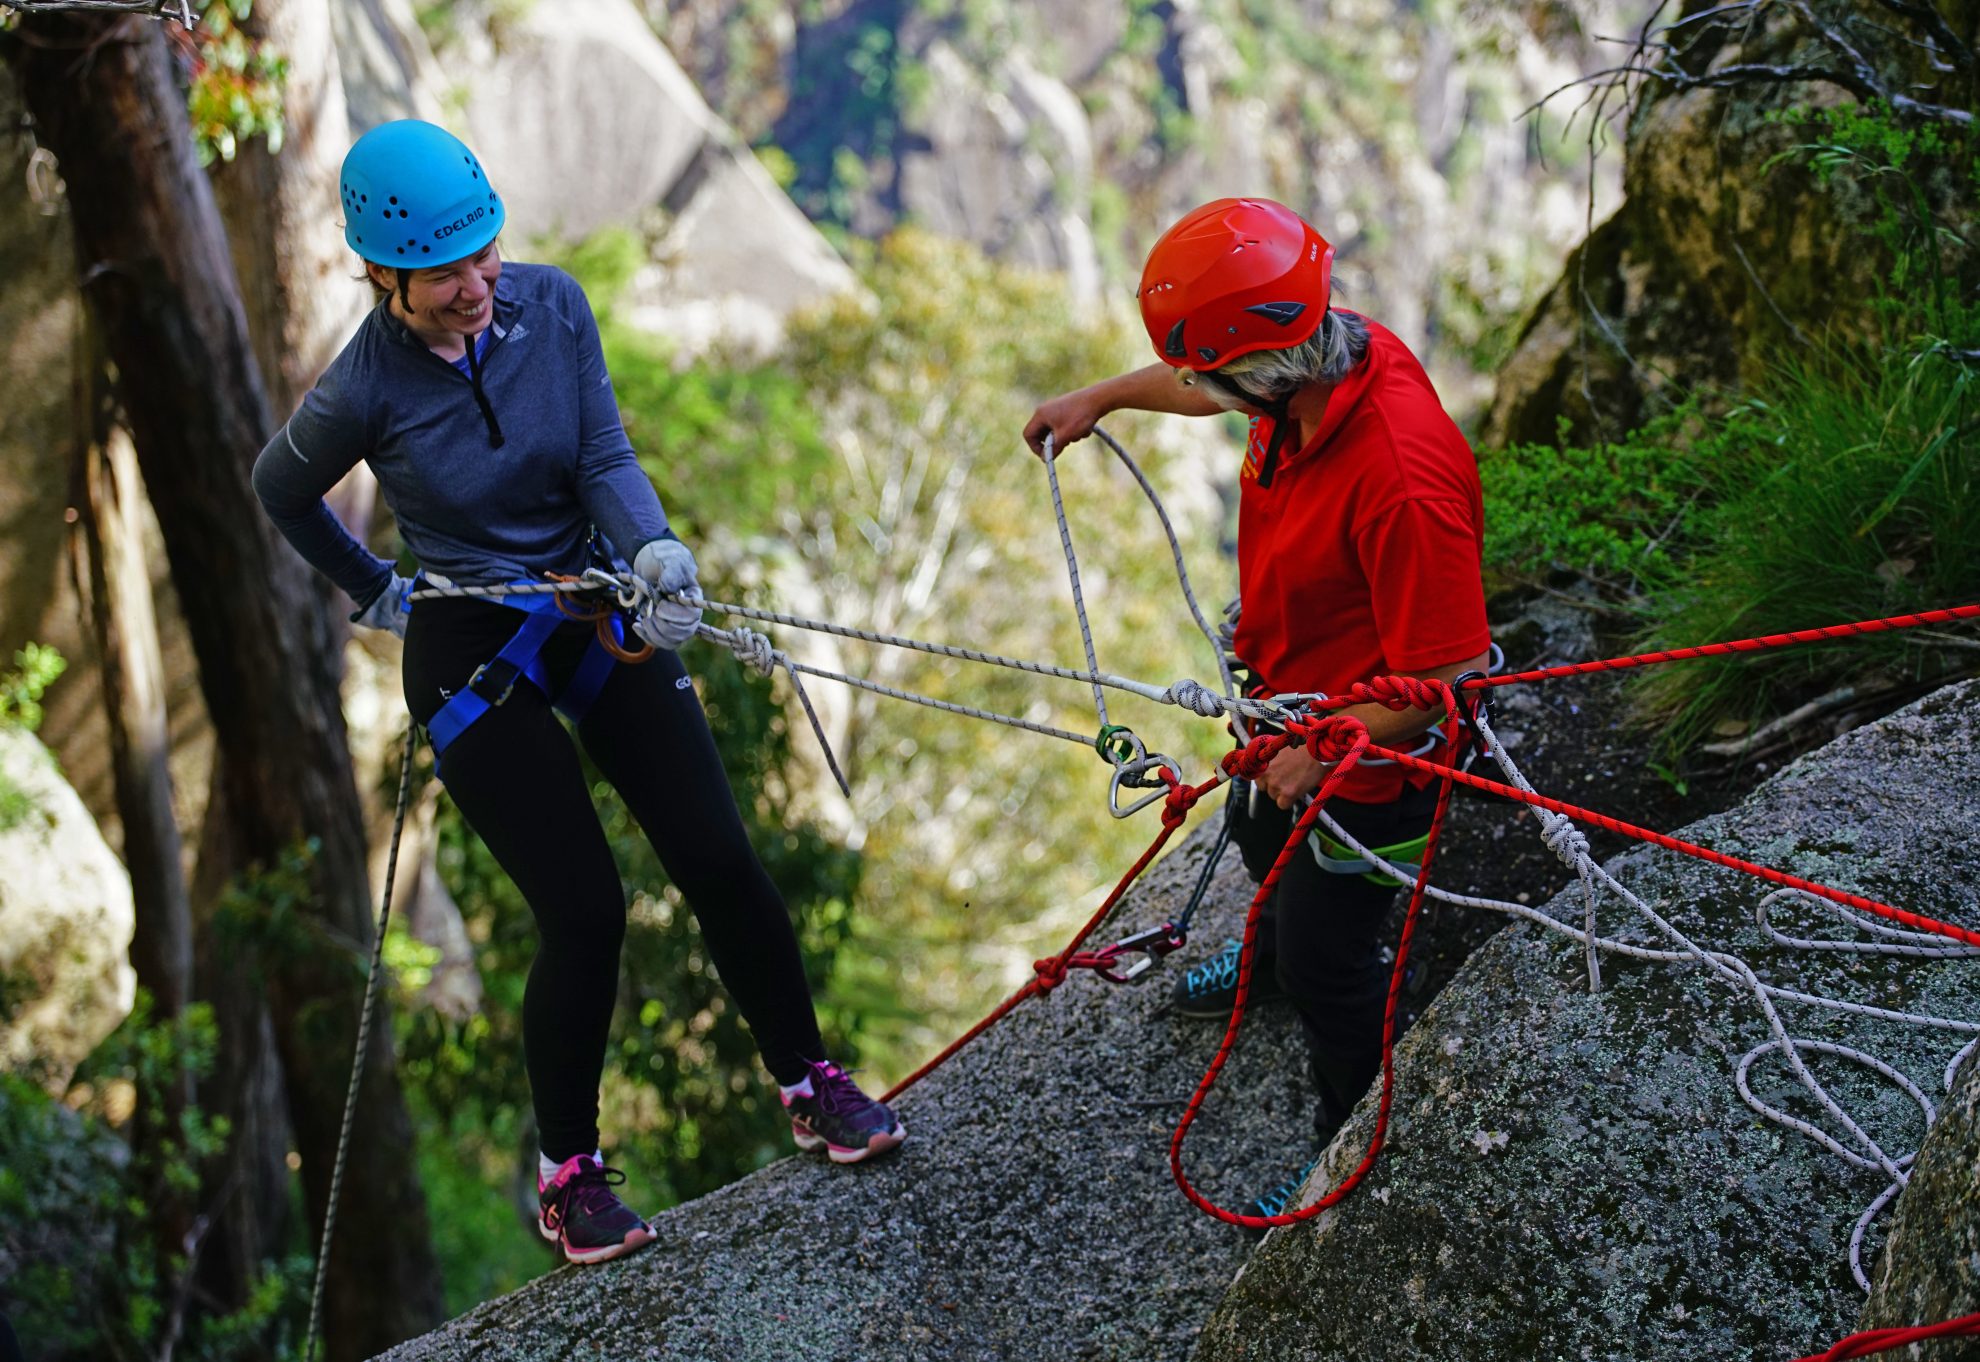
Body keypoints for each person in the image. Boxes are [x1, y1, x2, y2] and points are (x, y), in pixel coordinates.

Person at [253, 119, 904, 1266]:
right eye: (446, 271)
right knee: (586, 911)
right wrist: (378, 590)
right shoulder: (362, 389)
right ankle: (569, 1175)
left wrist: (652, 552)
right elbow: (280, 487)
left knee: (718, 855)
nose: (476, 284)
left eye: (485, 252)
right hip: (469, 646)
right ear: (384, 276)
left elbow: (602, 453)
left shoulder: (549, 307)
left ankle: (810, 1083)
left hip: (593, 605)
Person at [1022, 197, 1489, 1199]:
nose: (1206, 392)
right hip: (1294, 701)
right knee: (1258, 839)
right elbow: (1213, 390)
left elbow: (1449, 678)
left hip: (1379, 765)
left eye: (1217, 376)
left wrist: (1323, 746)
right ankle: (1269, 963)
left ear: (1264, 374)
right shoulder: (1309, 370)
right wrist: (1100, 397)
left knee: (1335, 959)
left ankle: (1352, 1147)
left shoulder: (1399, 476)